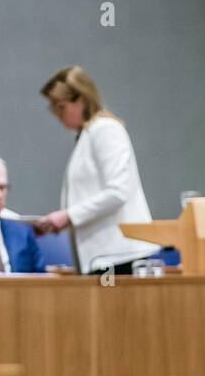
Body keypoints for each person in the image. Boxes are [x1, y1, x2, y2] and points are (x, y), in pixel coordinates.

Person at [37, 65, 160, 275]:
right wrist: (67, 218)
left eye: (61, 107)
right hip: (104, 256)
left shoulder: (105, 130)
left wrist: (68, 216)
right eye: (53, 108)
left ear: (81, 99)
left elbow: (118, 191)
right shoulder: (88, 135)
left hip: (121, 254)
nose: (57, 115)